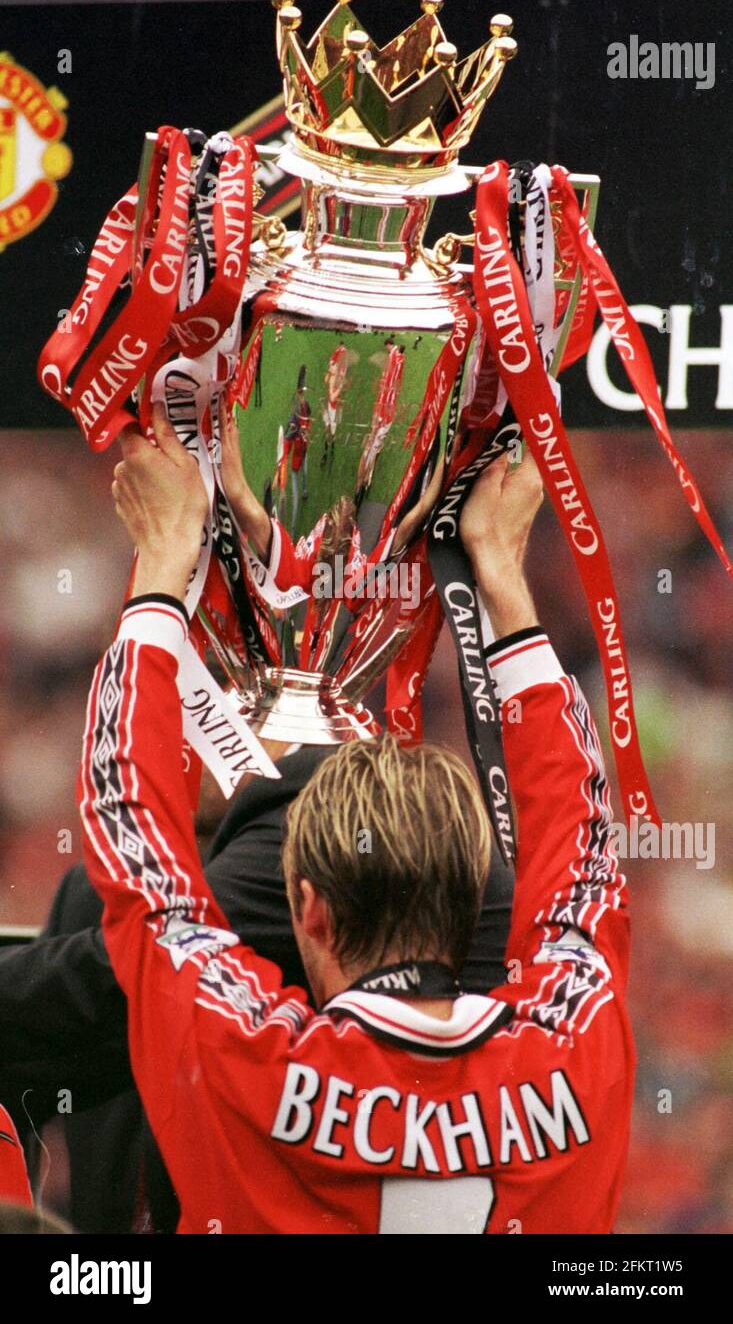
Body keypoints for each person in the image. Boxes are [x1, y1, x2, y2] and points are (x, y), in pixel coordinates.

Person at [76, 406, 633, 1233]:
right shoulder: (574, 1044)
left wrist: (164, 560)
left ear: (309, 911)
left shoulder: (243, 1056)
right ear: (473, 900)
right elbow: (585, 855)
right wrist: (502, 577)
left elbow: (135, 844)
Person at [0, 404, 513, 1232]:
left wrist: (162, 574)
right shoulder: (90, 897)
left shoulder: (328, 829)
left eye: (194, 680)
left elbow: (121, 951)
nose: (178, 721)